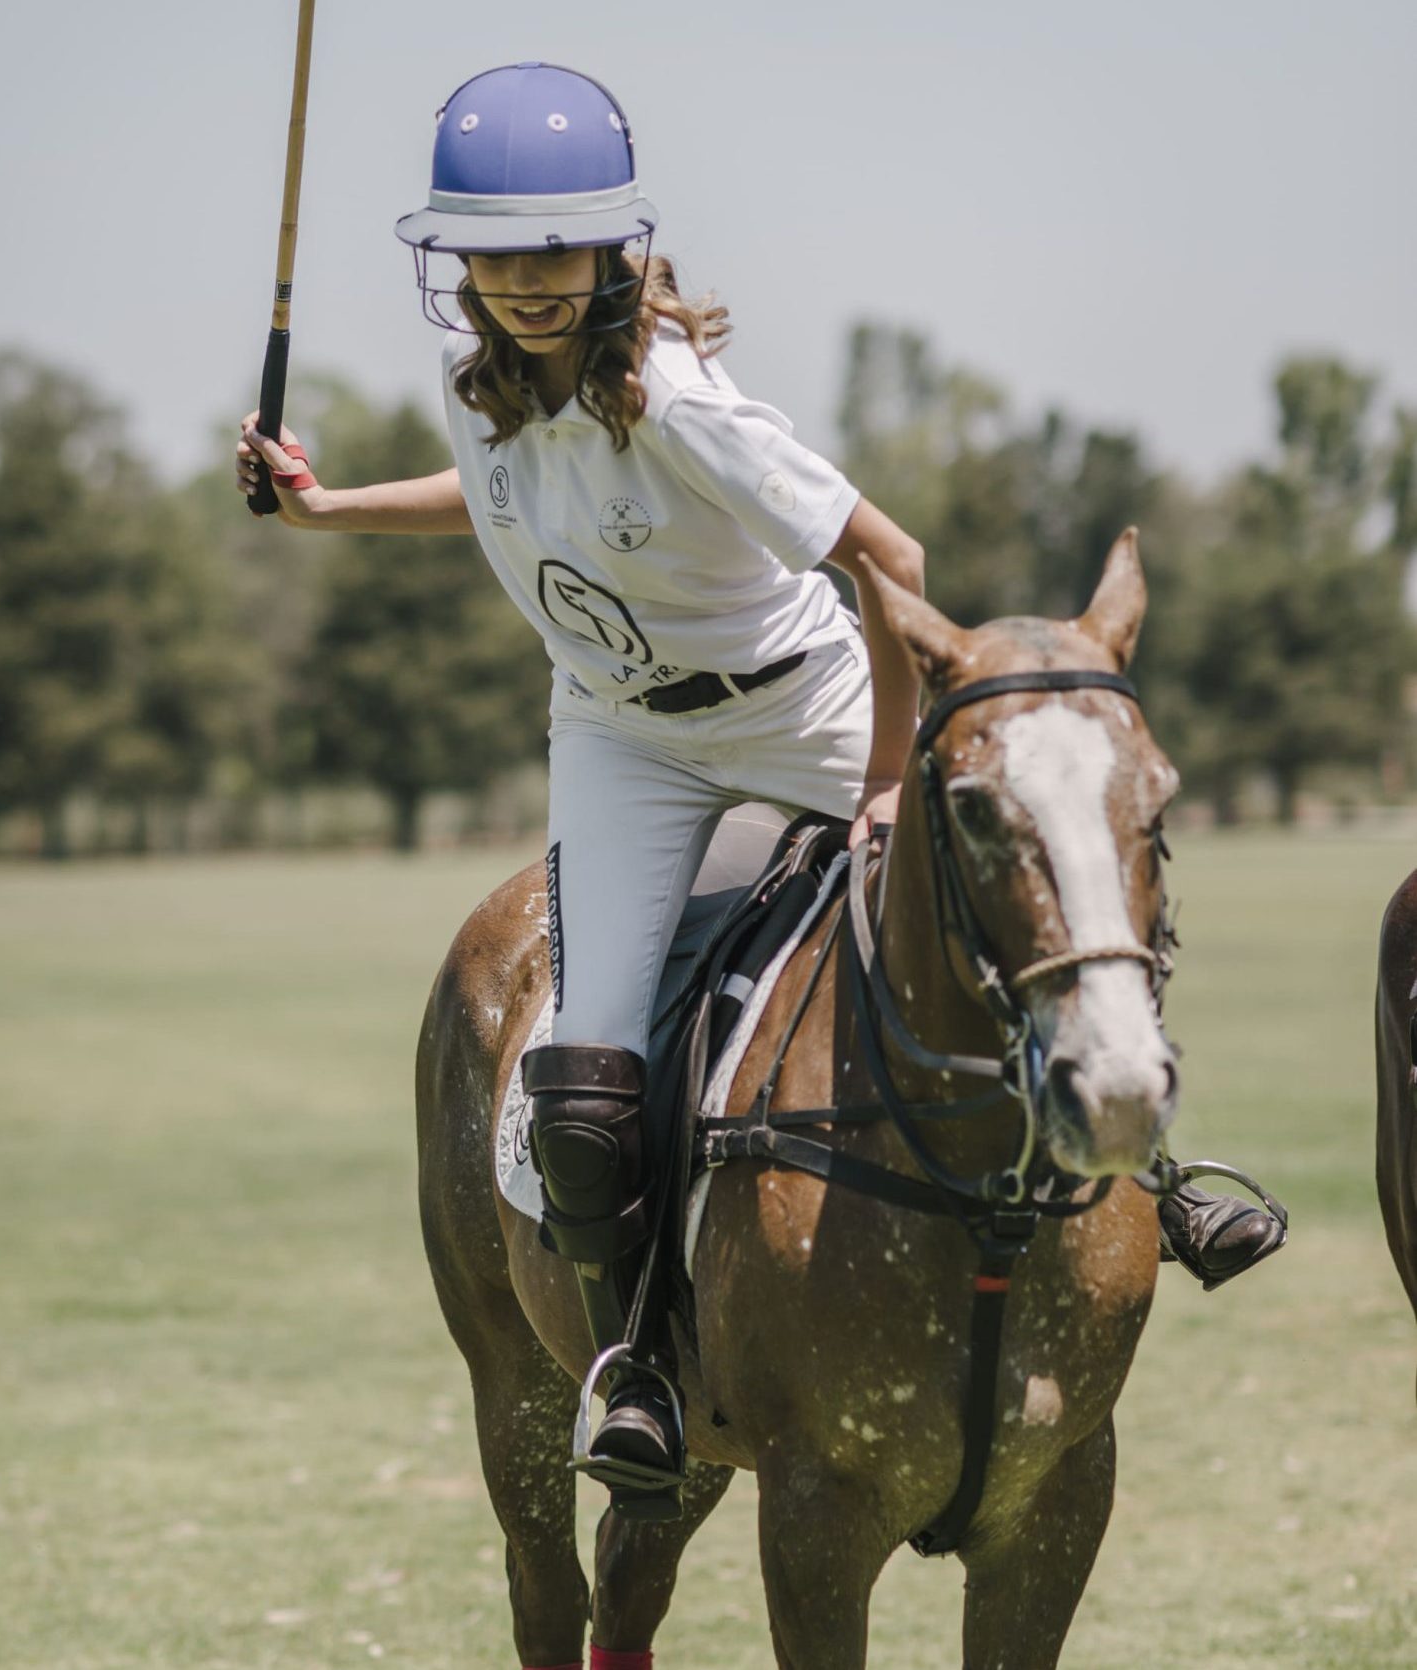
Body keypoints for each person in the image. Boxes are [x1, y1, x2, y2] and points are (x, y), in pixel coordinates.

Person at [236, 61, 1283, 1518]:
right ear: (456, 265)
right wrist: (330, 505)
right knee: (586, 1080)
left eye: (555, 251)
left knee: (1010, 908)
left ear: (613, 249)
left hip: (806, 708)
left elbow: (893, 559)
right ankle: (637, 1365)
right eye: (495, 255)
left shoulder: (678, 404)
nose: (526, 283)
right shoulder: (481, 387)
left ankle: (1154, 1172)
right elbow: (498, 491)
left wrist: (882, 784)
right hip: (623, 739)